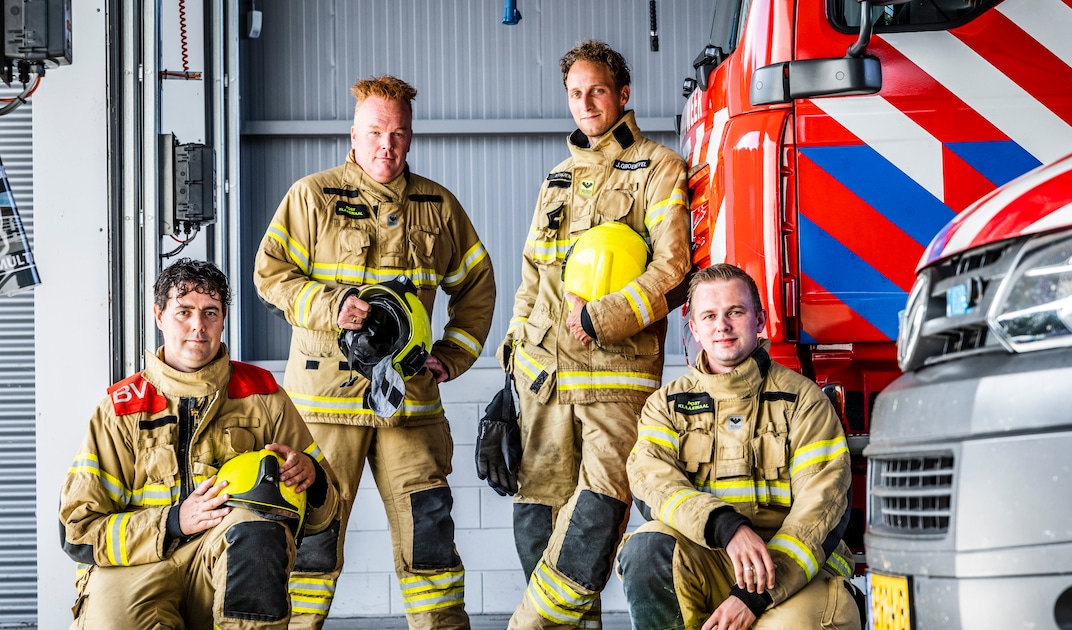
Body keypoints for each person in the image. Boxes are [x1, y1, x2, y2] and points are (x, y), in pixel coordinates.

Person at [254, 75, 495, 629]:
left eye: (399, 134)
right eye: (376, 132)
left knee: (430, 542)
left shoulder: (439, 206)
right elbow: (270, 275)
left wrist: (451, 356)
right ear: (354, 133)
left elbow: (477, 286)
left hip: (411, 404)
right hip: (324, 406)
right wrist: (327, 303)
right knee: (310, 538)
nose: (387, 145)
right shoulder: (312, 196)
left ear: (411, 137)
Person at [499, 40, 692, 629]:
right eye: (575, 94)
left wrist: (600, 318)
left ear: (623, 95)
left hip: (615, 376)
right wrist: (511, 362)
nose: (585, 103)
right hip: (542, 380)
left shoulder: (659, 167)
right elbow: (531, 277)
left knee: (596, 516)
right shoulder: (556, 179)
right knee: (536, 522)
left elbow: (673, 268)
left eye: (597, 91)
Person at [59, 258, 340, 629]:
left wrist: (314, 479)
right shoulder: (121, 409)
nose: (198, 326)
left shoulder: (264, 396)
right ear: (159, 315)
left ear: (224, 320)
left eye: (211, 312)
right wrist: (174, 521)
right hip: (137, 569)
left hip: (223, 571)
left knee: (256, 533)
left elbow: (326, 514)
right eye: (184, 311)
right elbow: (78, 531)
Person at [616, 264, 861, 630]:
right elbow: (653, 484)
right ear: (694, 328)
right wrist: (725, 527)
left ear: (760, 320)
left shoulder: (803, 401)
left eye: (735, 312)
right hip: (711, 562)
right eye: (709, 315)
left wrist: (754, 595)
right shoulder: (666, 405)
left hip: (795, 573)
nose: (722, 325)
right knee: (646, 548)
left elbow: (821, 510)